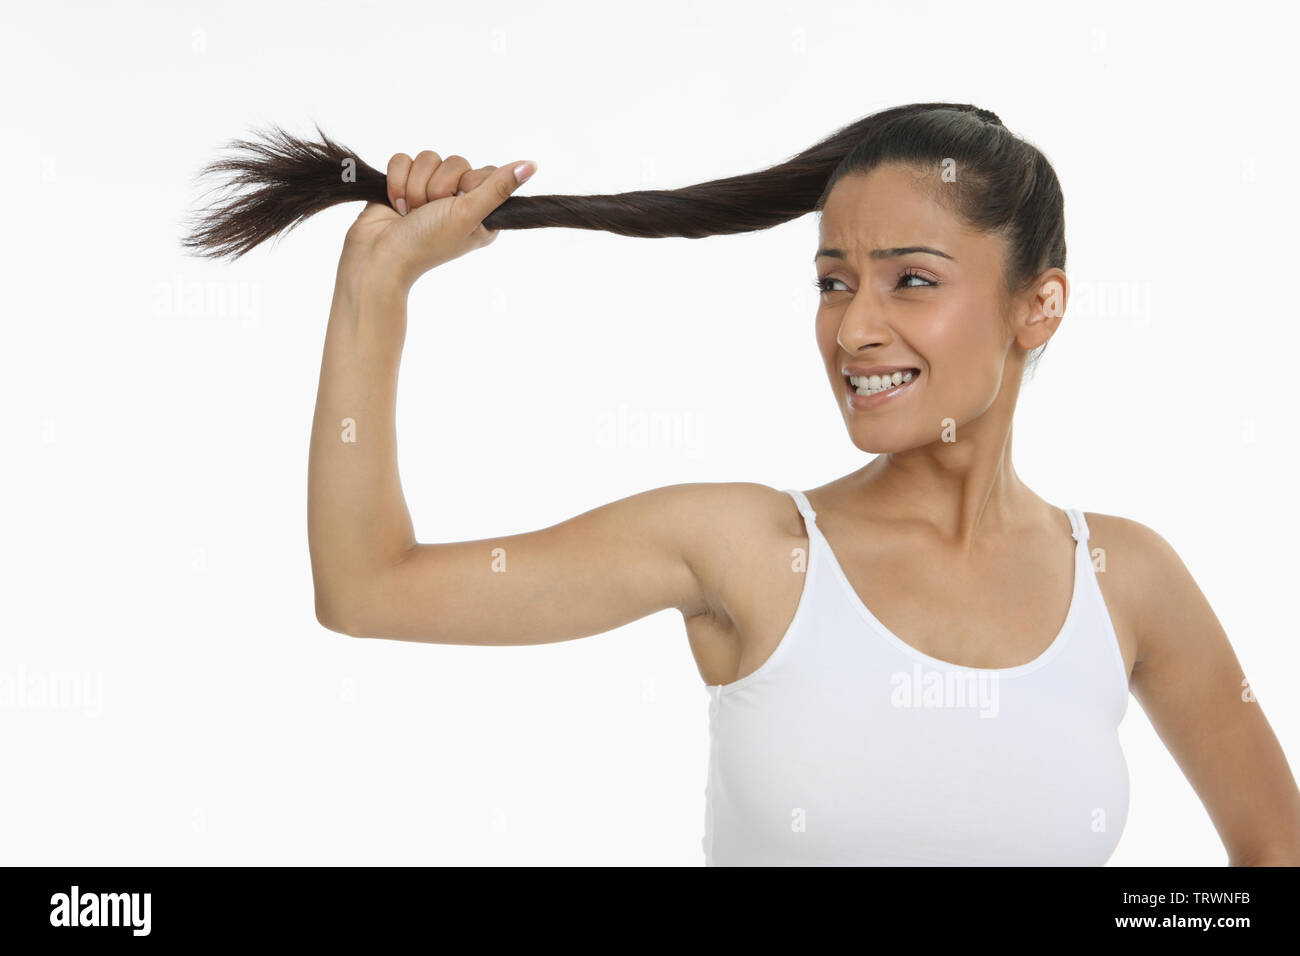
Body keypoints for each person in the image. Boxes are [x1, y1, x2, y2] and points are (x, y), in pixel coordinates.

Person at [252, 107, 1300, 866]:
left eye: (912, 279)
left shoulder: (1126, 577)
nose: (853, 327)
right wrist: (374, 287)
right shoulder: (748, 548)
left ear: (1039, 305)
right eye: (832, 280)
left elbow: (1273, 844)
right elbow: (366, 585)